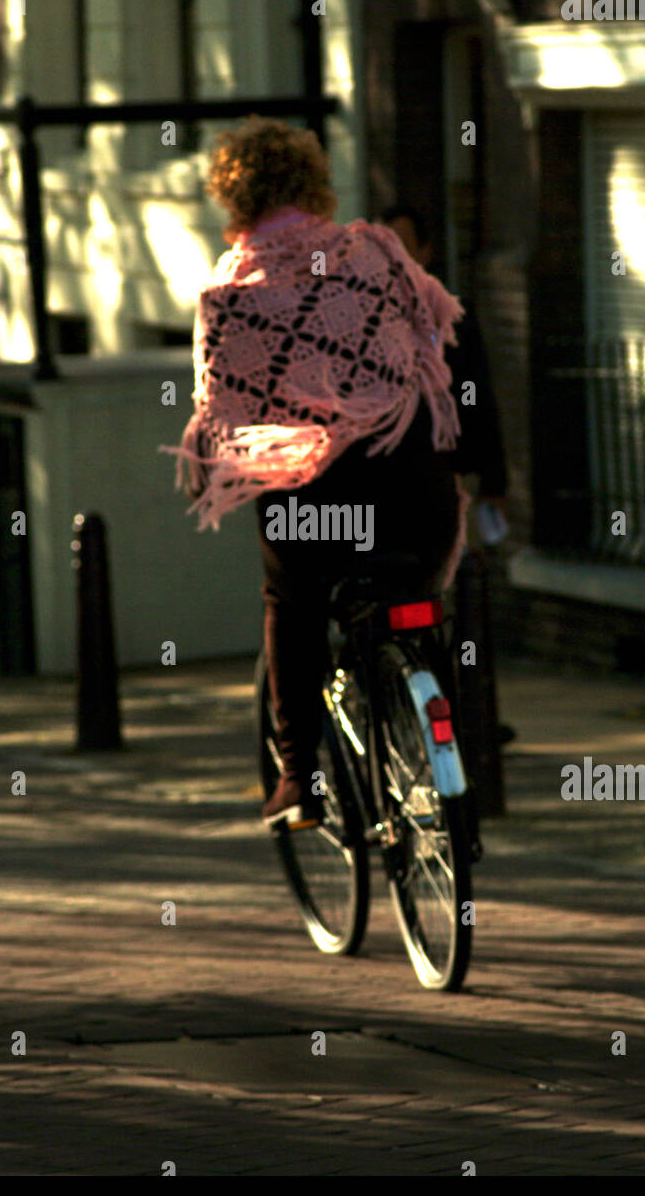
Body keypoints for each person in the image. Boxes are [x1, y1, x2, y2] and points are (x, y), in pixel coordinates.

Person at [163, 118, 473, 829]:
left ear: (231, 199)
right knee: (417, 603)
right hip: (412, 488)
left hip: (317, 511)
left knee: (291, 600)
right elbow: (429, 343)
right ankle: (452, 743)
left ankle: (299, 779)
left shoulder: (229, 293)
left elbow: (220, 416)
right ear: (314, 182)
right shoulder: (376, 251)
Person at [380, 206, 516, 747]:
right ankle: (407, 698)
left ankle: (466, 707)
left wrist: (495, 479)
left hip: (445, 479)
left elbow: (479, 397)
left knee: (458, 600)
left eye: (403, 244)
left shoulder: (449, 314)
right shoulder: (361, 316)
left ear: (427, 251)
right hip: (388, 485)